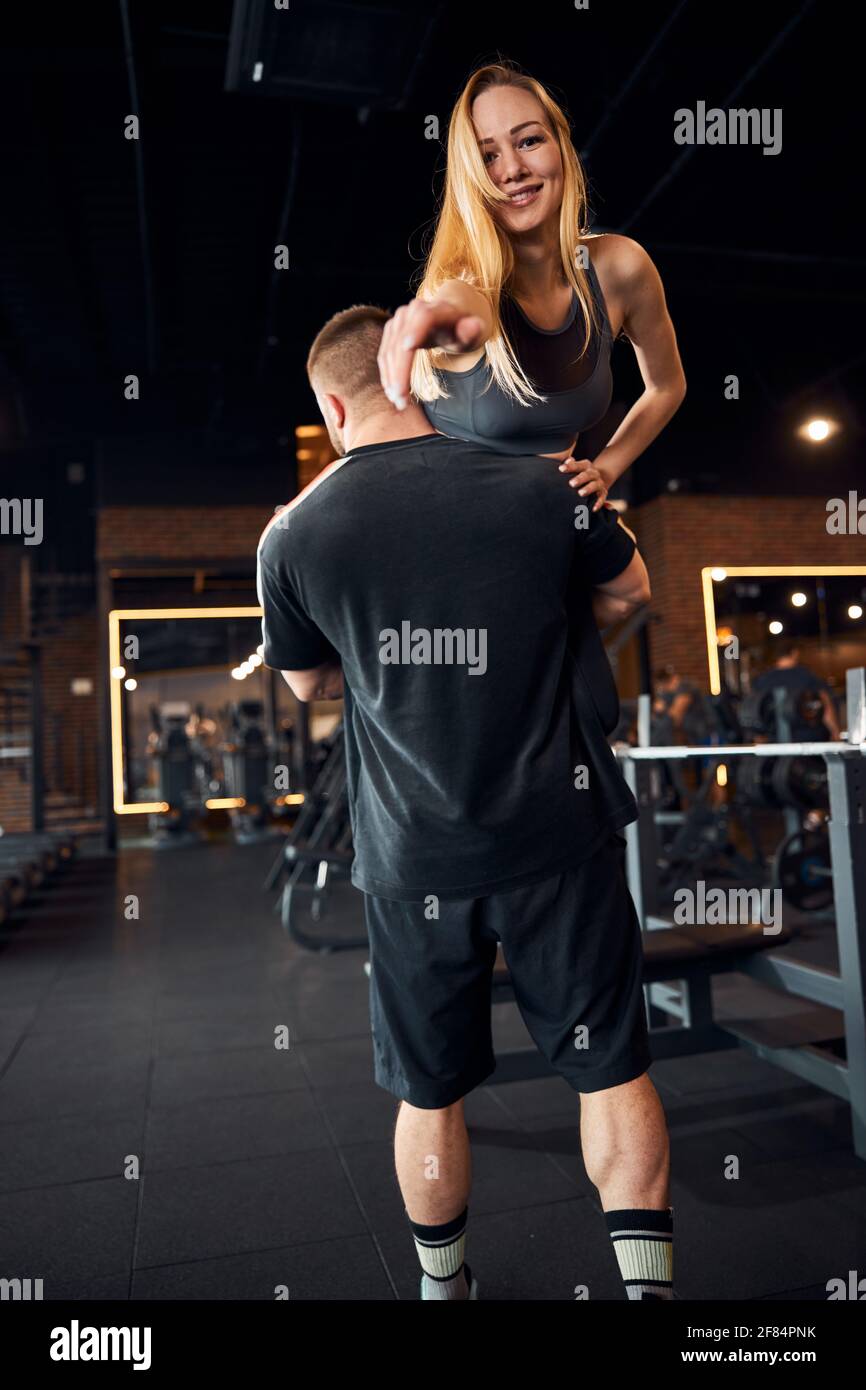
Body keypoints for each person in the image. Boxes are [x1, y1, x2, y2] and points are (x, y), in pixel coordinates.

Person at [257, 304, 674, 1302]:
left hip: (413, 858)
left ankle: (446, 1291)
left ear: (331, 402)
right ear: (424, 376)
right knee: (609, 1066)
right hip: (557, 833)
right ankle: (648, 1292)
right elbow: (632, 594)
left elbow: (309, 687)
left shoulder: (295, 535)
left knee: (429, 1087)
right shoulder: (539, 484)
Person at [376, 60, 686, 509]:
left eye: (529, 140)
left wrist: (607, 468)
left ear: (561, 146)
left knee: (632, 581)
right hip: (450, 525)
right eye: (488, 156)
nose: (513, 169)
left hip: (550, 520)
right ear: (471, 179)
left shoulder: (620, 266)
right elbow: (463, 313)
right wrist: (434, 319)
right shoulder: (464, 285)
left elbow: (666, 386)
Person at [752, 641, 841, 741]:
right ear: (794, 653)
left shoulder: (763, 680)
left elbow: (755, 712)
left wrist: (758, 737)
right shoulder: (807, 676)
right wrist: (835, 732)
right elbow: (825, 704)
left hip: (775, 741)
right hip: (808, 740)